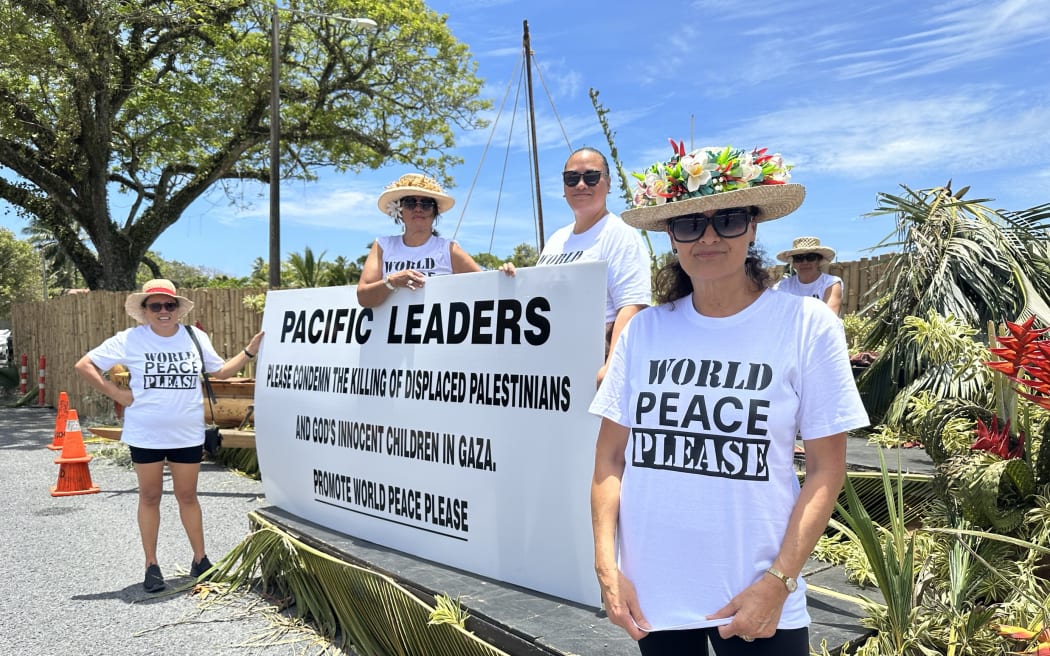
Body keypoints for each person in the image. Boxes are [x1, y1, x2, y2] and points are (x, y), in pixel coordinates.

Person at [589, 143, 869, 655]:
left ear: (755, 227)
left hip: (761, 600)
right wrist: (608, 569)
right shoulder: (643, 332)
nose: (710, 236)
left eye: (730, 219)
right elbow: (609, 460)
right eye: (691, 223)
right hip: (654, 599)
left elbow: (828, 470)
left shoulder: (807, 327)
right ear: (672, 235)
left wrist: (779, 582)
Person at [75, 279, 264, 593]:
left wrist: (249, 351)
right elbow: (85, 364)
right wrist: (117, 394)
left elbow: (220, 372)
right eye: (156, 306)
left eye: (170, 305)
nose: (164, 311)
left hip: (187, 433)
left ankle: (201, 560)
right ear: (145, 310)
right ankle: (151, 565)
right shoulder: (131, 339)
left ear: (178, 308)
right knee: (149, 497)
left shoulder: (194, 336)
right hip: (146, 434)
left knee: (187, 497)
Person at [501, 147, 652, 384]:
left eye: (591, 177)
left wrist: (612, 366)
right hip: (552, 362)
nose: (581, 184)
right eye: (572, 178)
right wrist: (513, 280)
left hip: (596, 362)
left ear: (608, 182)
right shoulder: (556, 239)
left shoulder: (620, 235)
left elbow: (633, 305)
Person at [357, 173, 487, 308]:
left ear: (435, 212)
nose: (418, 209)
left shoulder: (449, 249)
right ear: (399, 211)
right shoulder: (382, 246)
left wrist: (505, 276)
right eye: (410, 203)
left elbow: (486, 287)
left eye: (426, 204)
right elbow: (364, 298)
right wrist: (392, 281)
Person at [774, 236, 843, 315]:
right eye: (798, 258)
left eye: (810, 257)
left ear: (819, 260)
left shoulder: (831, 284)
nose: (804, 262)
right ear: (793, 263)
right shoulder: (783, 285)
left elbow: (830, 318)